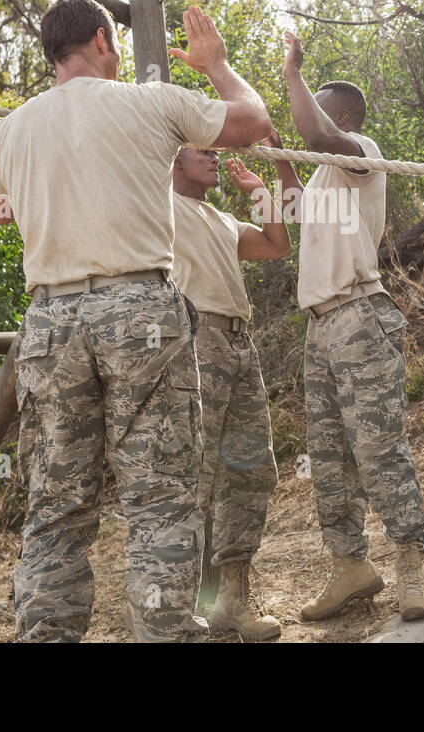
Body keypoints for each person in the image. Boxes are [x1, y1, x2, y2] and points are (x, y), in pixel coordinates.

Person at [0, 0, 271, 642]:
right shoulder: (150, 101)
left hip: (50, 317)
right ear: (101, 40)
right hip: (139, 309)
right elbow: (254, 122)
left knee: (56, 508)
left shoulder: (11, 131)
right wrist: (217, 66)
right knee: (160, 497)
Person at [279, 31, 424, 623]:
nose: (306, 118)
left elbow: (316, 133)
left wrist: (293, 74)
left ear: (341, 116)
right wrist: (280, 162)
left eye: (315, 105)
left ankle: (412, 562)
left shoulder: (360, 152)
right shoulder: (326, 176)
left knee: (377, 447)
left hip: (359, 317)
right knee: (328, 456)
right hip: (320, 327)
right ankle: (351, 566)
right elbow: (296, 212)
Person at [170, 136, 298, 640]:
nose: (215, 156)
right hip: (195, 340)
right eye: (201, 149)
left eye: (215, 150)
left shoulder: (220, 220)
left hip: (240, 344)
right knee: (194, 475)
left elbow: (277, 245)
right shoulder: (159, 204)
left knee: (250, 470)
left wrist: (260, 193)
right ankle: (177, 611)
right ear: (172, 156)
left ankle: (233, 601)